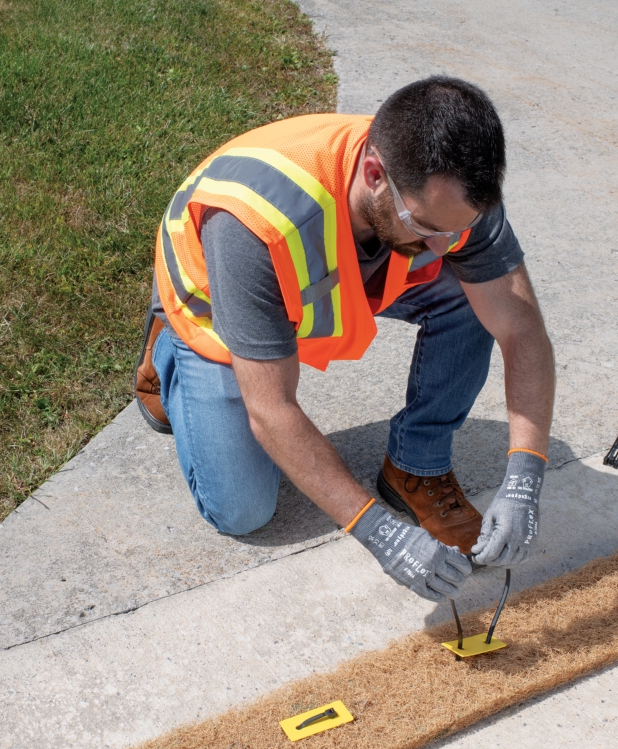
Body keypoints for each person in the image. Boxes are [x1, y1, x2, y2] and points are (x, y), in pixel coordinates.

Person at [135, 76, 555, 603]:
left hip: (343, 273)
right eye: (428, 228)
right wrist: (378, 532)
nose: (445, 244)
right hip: (216, 303)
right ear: (375, 173)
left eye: (455, 231)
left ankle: (415, 466)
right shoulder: (255, 223)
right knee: (242, 510)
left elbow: (521, 329)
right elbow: (272, 409)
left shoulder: (450, 200)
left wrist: (524, 479)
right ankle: (168, 346)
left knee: (476, 297)